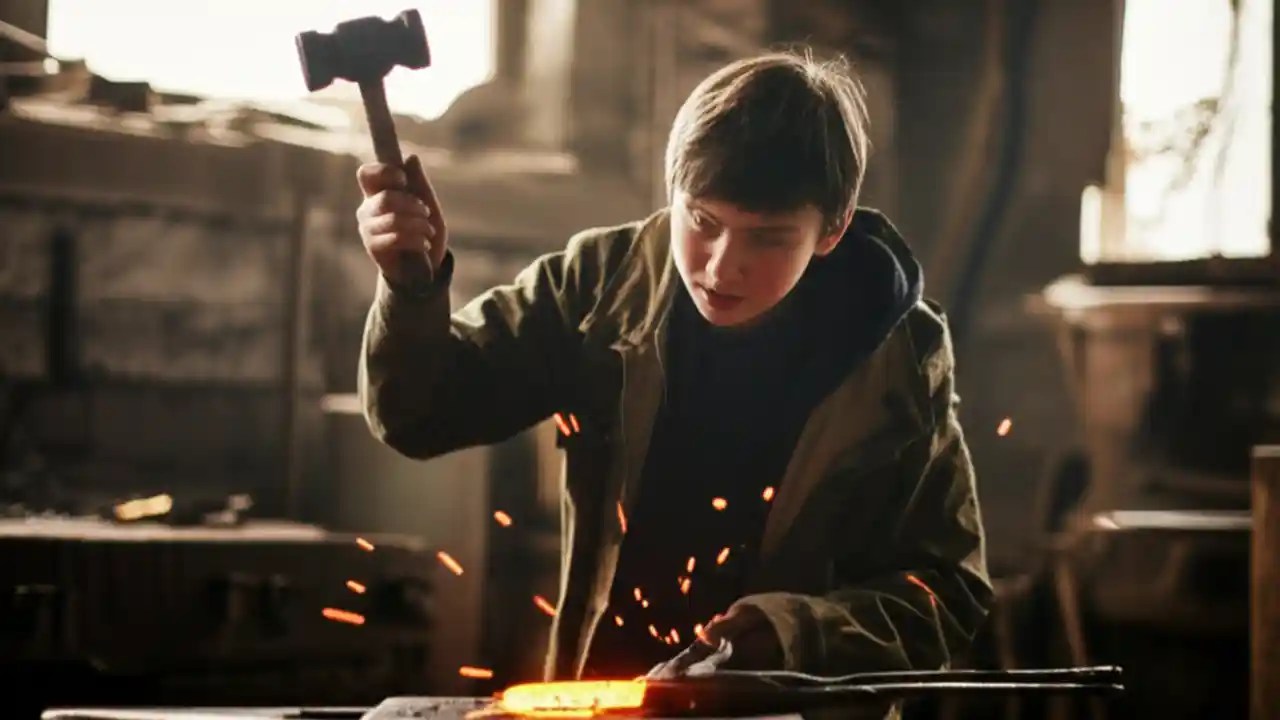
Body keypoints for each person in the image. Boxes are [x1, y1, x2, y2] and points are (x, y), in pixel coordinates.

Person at [354, 48, 992, 701]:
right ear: (673, 189)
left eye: (766, 238)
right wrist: (413, 290)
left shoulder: (898, 356)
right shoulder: (599, 287)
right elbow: (417, 415)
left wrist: (796, 633)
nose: (721, 267)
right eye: (703, 222)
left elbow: (949, 591)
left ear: (831, 230)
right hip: (604, 703)